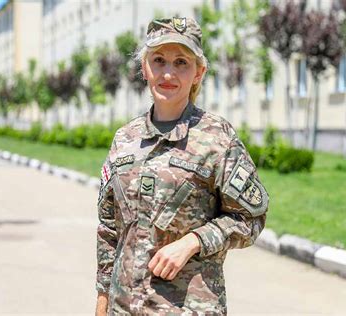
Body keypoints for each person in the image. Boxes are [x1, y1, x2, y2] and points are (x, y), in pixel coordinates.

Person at [95, 17, 269, 315]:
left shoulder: (217, 137)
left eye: (181, 63)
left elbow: (251, 218)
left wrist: (193, 241)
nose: (168, 73)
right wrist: (102, 304)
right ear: (144, 68)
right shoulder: (125, 138)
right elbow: (110, 229)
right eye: (159, 60)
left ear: (199, 72)